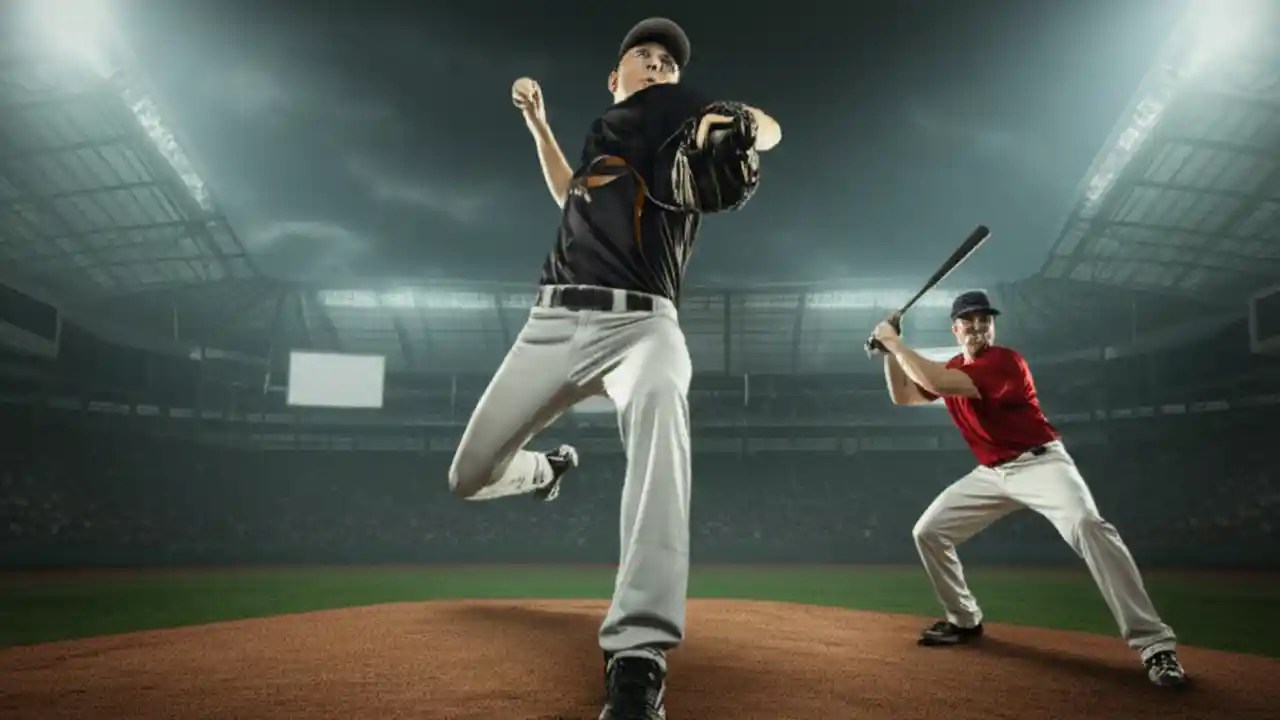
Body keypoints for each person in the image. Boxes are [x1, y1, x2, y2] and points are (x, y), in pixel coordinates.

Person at [447, 17, 782, 720]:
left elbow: (769, 128)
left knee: (662, 412)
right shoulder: (605, 129)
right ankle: (547, 472)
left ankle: (637, 653)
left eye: (668, 61)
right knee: (468, 475)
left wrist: (734, 125)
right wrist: (540, 126)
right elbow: (571, 193)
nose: (658, 65)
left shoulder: (680, 117)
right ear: (615, 76)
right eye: (645, 55)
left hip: (643, 325)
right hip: (553, 323)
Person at [869, 289, 1188, 688]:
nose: (977, 326)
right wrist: (887, 353)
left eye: (984, 319)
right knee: (928, 532)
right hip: (992, 473)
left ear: (992, 326)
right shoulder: (954, 362)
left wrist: (894, 341)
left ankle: (1155, 646)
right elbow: (903, 395)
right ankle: (964, 620)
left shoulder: (1004, 362)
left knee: (1089, 526)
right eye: (968, 320)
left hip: (1041, 464)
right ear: (955, 328)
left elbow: (931, 378)